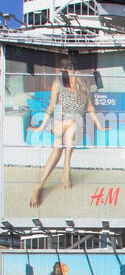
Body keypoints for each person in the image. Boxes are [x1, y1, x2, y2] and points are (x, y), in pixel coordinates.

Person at [28, 63, 105, 210]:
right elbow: (51, 107)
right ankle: (66, 167)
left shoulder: (84, 87)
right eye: (66, 71)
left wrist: (99, 125)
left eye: (71, 70)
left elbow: (90, 108)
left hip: (75, 129)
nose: (69, 73)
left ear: (76, 71)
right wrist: (40, 127)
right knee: (72, 122)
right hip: (59, 124)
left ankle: (39, 186)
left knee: (59, 145)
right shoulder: (58, 83)